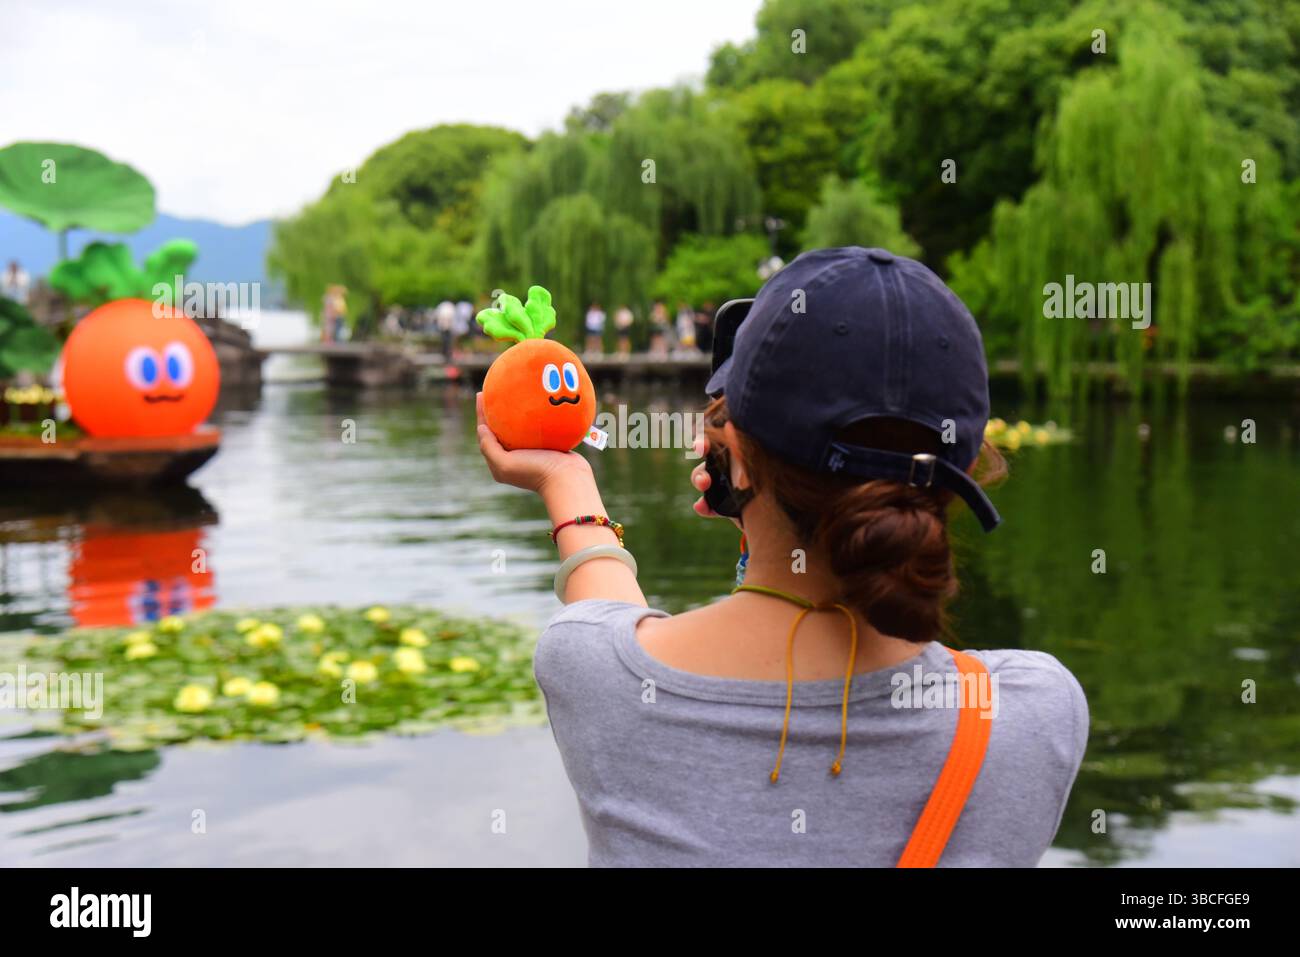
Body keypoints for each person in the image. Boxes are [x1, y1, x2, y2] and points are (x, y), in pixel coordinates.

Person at [475, 246, 1088, 866]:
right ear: (968, 460)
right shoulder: (1030, 713)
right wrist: (773, 515)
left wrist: (566, 481)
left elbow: (609, 626)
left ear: (733, 453)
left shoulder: (592, 671)